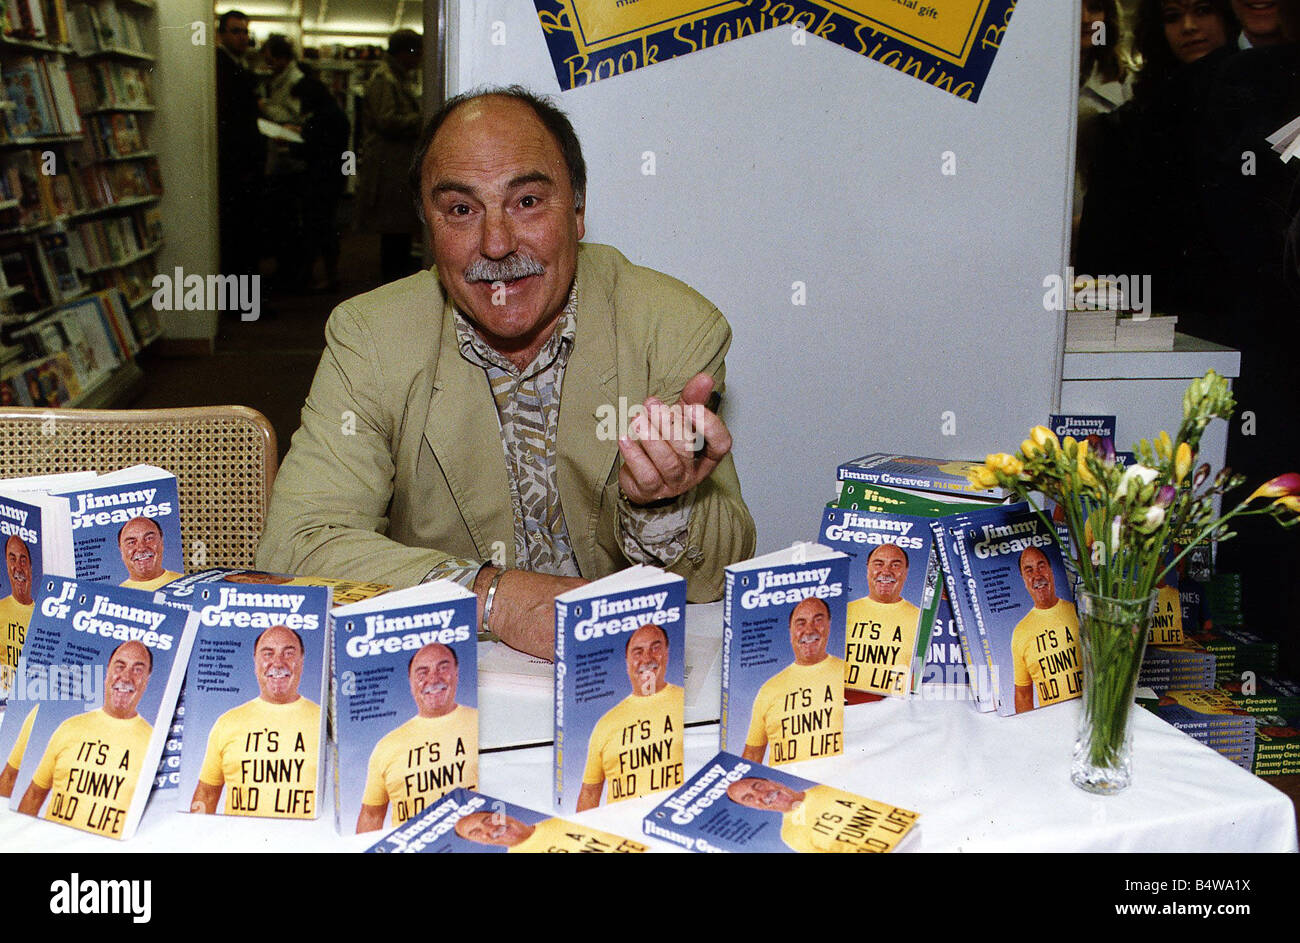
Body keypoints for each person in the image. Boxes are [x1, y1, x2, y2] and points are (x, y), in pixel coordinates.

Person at [256, 87, 756, 661]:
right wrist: (496, 598)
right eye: (462, 211)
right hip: (447, 669)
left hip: (626, 664)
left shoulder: (671, 324)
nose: (496, 244)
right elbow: (298, 548)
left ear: (578, 209)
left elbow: (715, 579)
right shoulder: (371, 336)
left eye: (527, 202)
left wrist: (661, 505)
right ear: (429, 229)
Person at [17, 642, 153, 838]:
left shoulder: (153, 743)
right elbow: (34, 795)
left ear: (147, 680)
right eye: (120, 666)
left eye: (138, 670)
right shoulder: (69, 727)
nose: (126, 677)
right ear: (107, 672)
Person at [190, 625, 320, 817]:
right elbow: (206, 796)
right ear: (255, 662)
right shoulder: (227, 723)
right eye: (267, 654)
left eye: (289, 653)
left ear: (301, 661)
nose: (278, 663)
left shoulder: (323, 723)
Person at [355, 642, 477, 832]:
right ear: (411, 682)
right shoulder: (386, 746)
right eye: (422, 673)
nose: (433, 679)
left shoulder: (479, 723)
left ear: (456, 673)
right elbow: (371, 816)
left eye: (443, 668)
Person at [576, 624, 683, 810]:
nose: (647, 659)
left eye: (655, 648)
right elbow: (589, 794)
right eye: (638, 652)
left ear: (667, 653)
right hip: (622, 831)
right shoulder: (605, 724)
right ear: (627, 663)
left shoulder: (684, 702)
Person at [355, 29, 423, 284]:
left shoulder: (393, 76)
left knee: (397, 229)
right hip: (389, 165)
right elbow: (387, 120)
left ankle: (395, 275)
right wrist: (423, 118)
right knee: (394, 229)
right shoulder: (386, 79)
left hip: (393, 162)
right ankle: (392, 279)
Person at [742, 597, 845, 765]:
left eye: (818, 621)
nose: (809, 630)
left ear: (829, 624)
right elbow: (751, 757)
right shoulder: (769, 689)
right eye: (801, 623)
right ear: (790, 631)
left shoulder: (848, 673)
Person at [726, 776, 917, 853]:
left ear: (771, 781)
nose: (761, 795)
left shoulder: (830, 785)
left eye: (757, 786)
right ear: (755, 808)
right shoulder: (790, 835)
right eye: (749, 798)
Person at [215, 9, 265, 279]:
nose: (243, 37)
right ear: (221, 34)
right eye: (236, 31)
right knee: (238, 236)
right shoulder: (221, 66)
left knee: (245, 234)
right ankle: (242, 302)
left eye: (246, 31)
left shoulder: (238, 64)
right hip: (236, 166)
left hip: (244, 165)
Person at [290, 73, 350, 292]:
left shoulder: (322, 118)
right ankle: (328, 275)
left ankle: (317, 276)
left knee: (317, 226)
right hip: (333, 177)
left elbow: (310, 148)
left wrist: (290, 141)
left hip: (319, 178)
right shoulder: (335, 113)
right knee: (325, 226)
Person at [843, 543, 920, 698]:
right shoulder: (842, 613)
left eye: (895, 565)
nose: (886, 571)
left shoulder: (920, 620)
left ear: (905, 573)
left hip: (897, 709)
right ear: (868, 569)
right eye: (878, 564)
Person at [1010, 548, 1081, 714]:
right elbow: (1023, 695)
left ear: (1051, 570)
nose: (1037, 575)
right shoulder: (1020, 632)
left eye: (1041, 566)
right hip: (1052, 727)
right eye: (1029, 570)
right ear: (1024, 580)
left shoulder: (1079, 611)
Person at [453, 809, 644, 853]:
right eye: (476, 833)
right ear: (481, 843)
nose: (490, 829)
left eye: (488, 820)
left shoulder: (566, 818)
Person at [0, 534, 34, 693]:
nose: (18, 568)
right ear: (7, 565)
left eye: (23, 560)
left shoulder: (43, 614)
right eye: (12, 559)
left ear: (30, 568)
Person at [117, 516, 180, 591]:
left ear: (161, 542)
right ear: (121, 550)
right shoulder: (115, 598)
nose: (141, 548)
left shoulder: (187, 582)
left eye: (149, 538)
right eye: (131, 542)